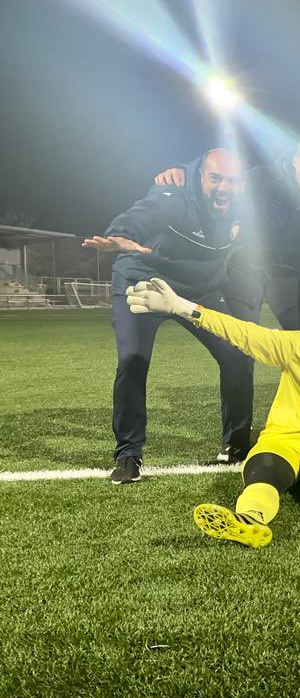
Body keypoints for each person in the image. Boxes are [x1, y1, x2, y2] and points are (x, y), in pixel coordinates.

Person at [124, 283, 300, 546]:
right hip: (281, 442)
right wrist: (185, 308)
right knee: (265, 469)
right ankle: (248, 520)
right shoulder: (297, 345)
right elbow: (245, 333)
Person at [83, 148, 254, 480]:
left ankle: (236, 445)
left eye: (231, 180)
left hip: (198, 291)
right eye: (215, 178)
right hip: (144, 283)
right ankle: (128, 455)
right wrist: (122, 235)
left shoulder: (247, 208)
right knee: (133, 358)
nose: (223, 187)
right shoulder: (174, 197)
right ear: (199, 177)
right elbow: (143, 213)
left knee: (237, 354)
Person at [153, 135, 300, 333]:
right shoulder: (263, 177)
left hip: (285, 273)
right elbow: (221, 177)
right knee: (242, 339)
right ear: (295, 162)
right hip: (246, 266)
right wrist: (183, 170)